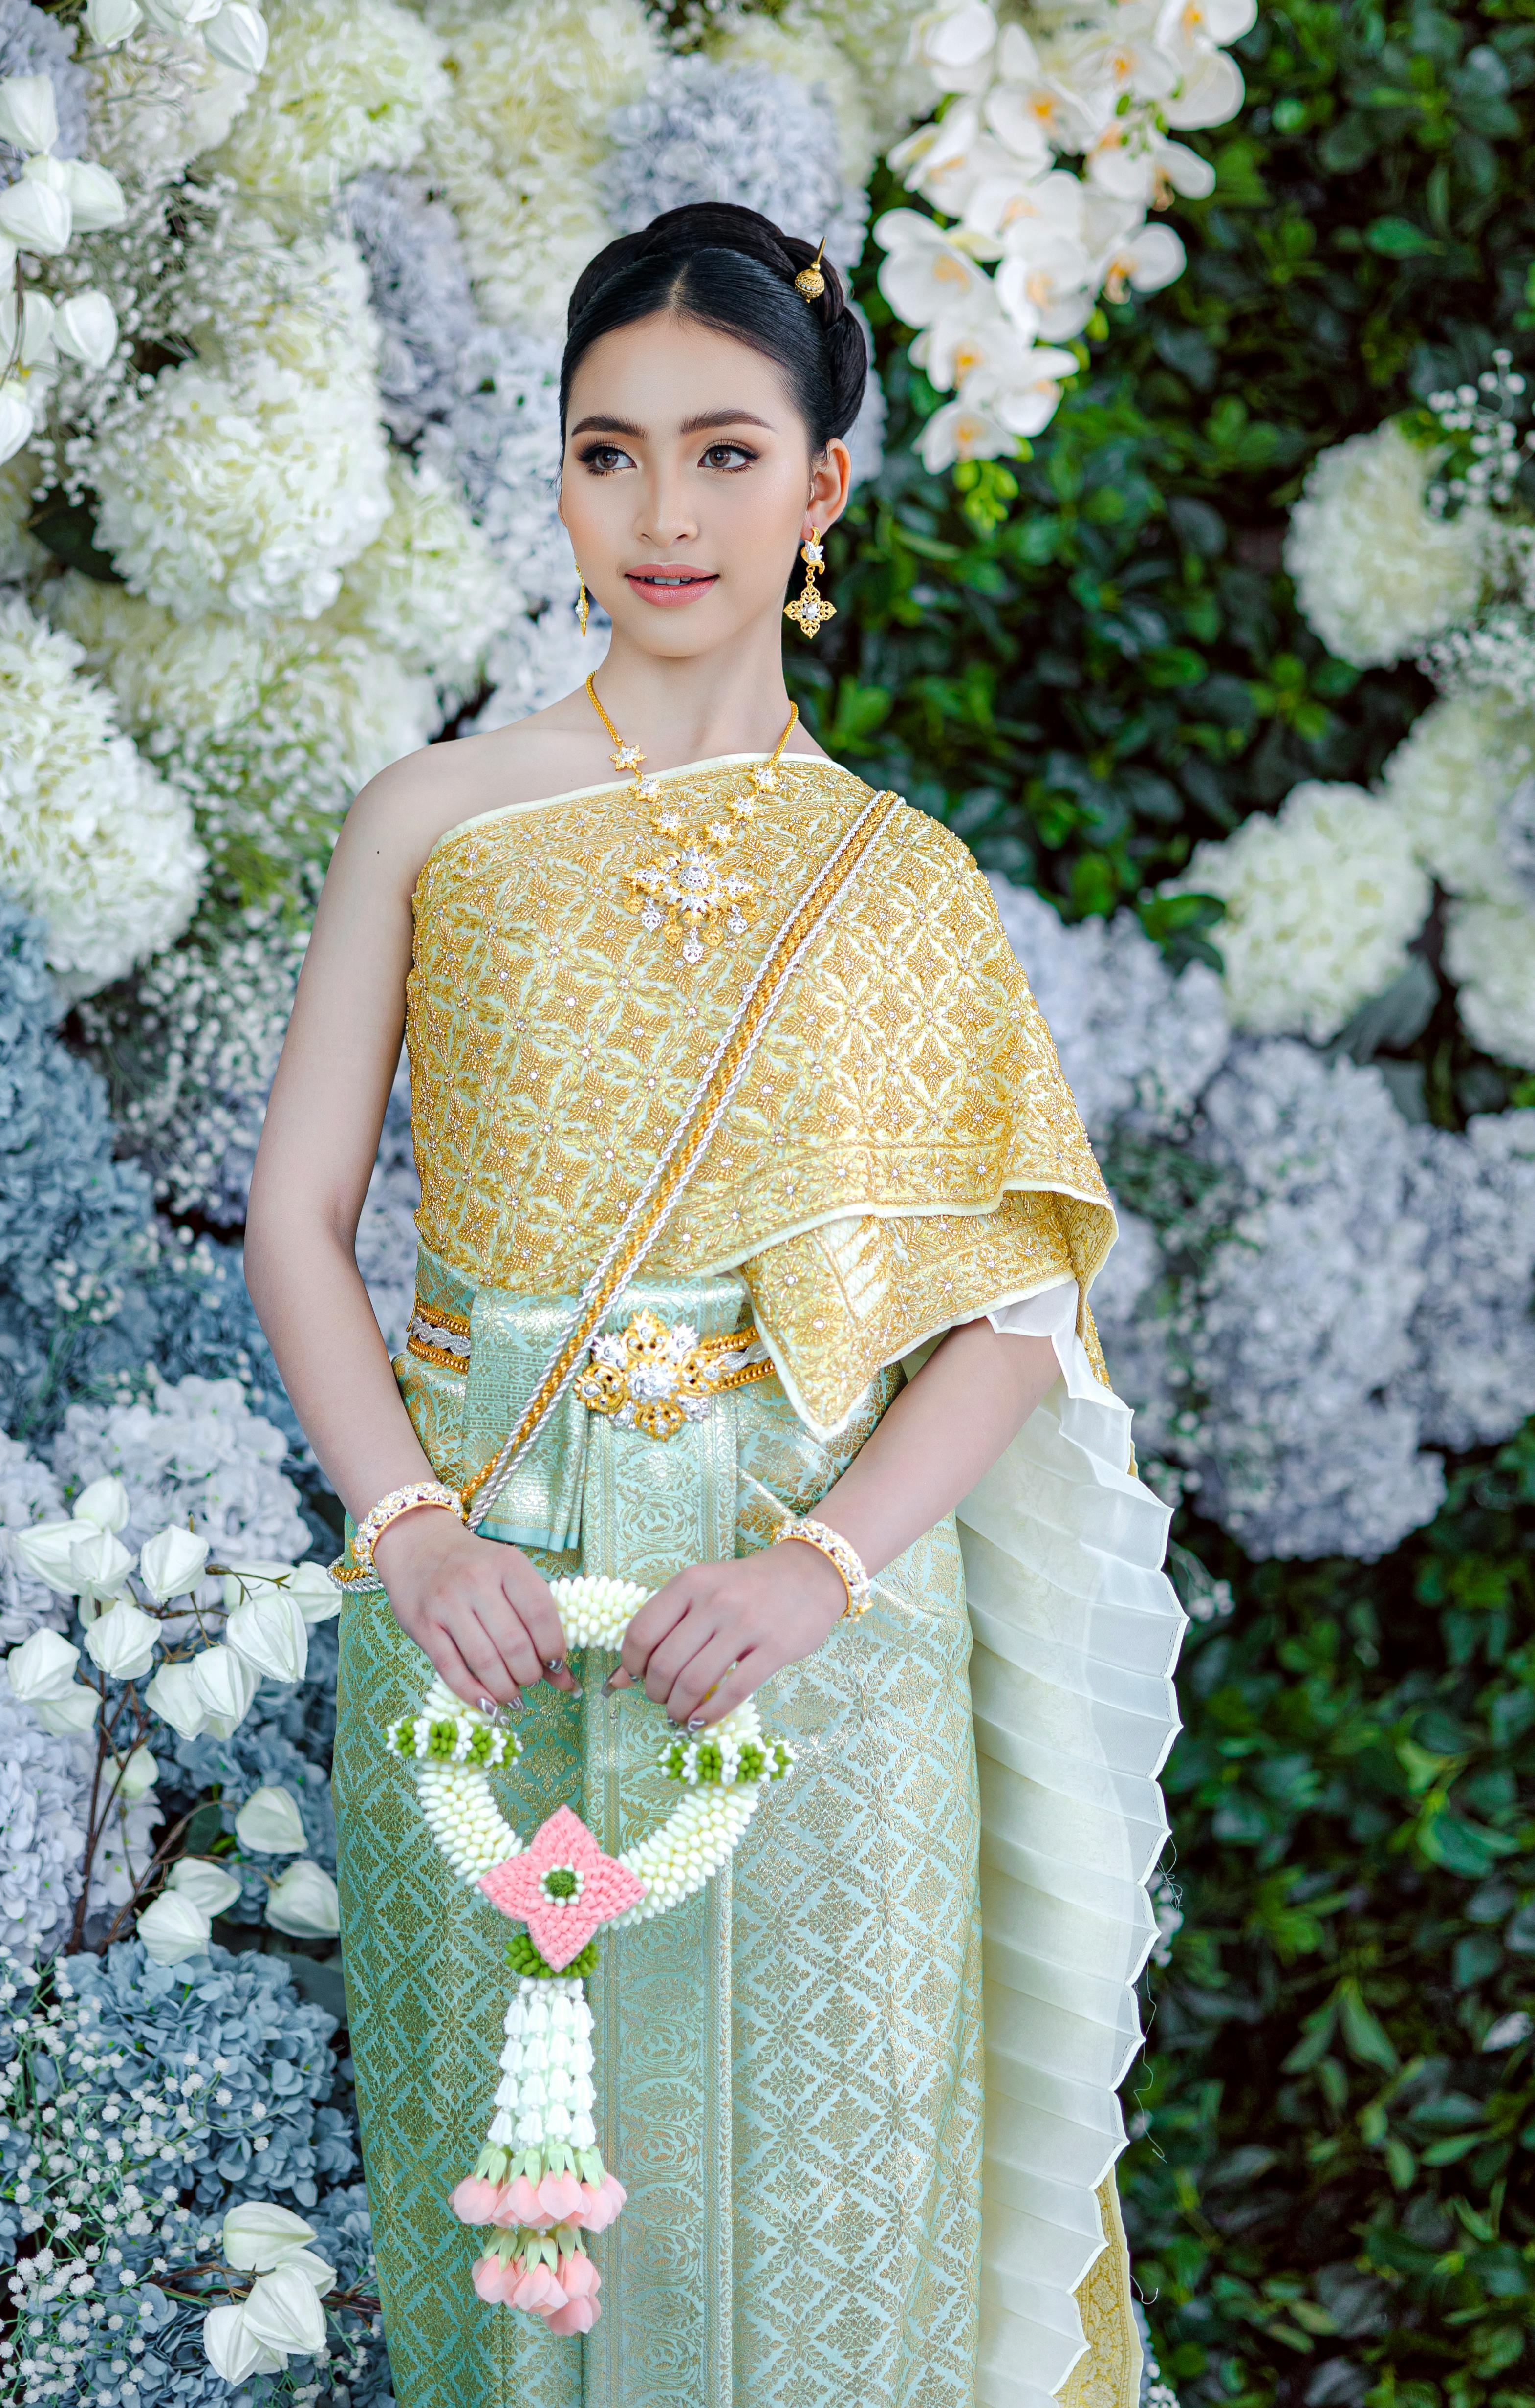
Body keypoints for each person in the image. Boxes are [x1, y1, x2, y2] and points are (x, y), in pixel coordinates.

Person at [245, 201, 1184, 2408]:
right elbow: (297, 1219)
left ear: (822, 485)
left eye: (724, 453)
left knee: (820, 2220)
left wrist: (816, 1568)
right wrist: (412, 1526)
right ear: (556, 474)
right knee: (517, 2250)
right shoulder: (432, 818)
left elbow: (1014, 1302)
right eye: (607, 453)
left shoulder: (901, 882)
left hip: (806, 1642)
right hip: (474, 1608)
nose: (663, 515)